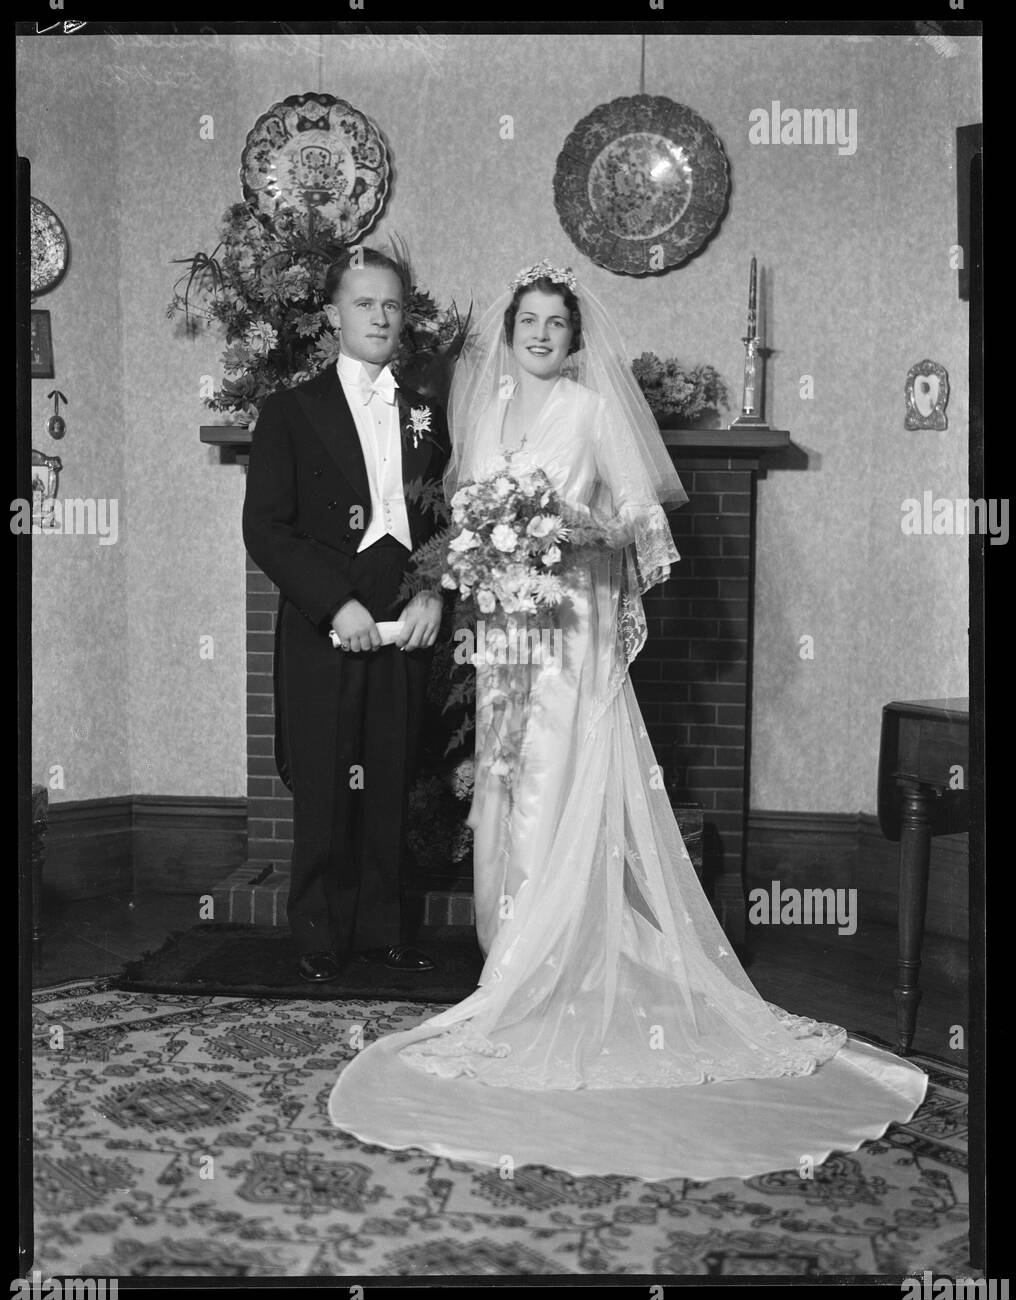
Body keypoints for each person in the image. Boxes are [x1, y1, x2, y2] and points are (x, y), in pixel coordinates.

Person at [327, 261, 927, 1180]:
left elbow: (644, 529)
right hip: (505, 646)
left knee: (556, 792)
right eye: (527, 320)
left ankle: (560, 967)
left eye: (555, 323)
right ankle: (508, 969)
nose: (539, 335)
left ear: (575, 337)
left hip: (571, 638)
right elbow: (459, 524)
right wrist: (488, 547)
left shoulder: (592, 413)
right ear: (511, 328)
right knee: (504, 789)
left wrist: (566, 529)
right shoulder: (479, 415)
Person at [242, 248, 449, 983]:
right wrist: (338, 604)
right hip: (327, 618)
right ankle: (320, 939)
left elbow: (446, 519)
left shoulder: (428, 413)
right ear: (333, 316)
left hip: (406, 614)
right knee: (330, 779)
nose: (381, 317)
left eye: (392, 305)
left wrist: (434, 591)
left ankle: (384, 930)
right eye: (365, 304)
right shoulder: (291, 411)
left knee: (389, 777)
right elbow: (265, 528)